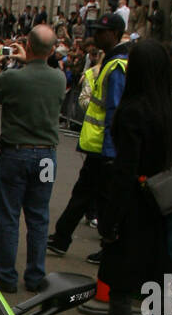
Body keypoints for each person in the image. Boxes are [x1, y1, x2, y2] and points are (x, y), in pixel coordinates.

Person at [87, 39, 172, 315]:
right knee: (160, 282)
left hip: (135, 206)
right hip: (167, 201)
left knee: (121, 286)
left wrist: (110, 220)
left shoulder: (132, 111)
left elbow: (125, 170)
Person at [0, 25, 65, 293]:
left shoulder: (14, 78)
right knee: (39, 217)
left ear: (27, 45)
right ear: (52, 50)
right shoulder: (58, 79)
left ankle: (6, 276)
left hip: (16, 152)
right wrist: (30, 57)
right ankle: (35, 275)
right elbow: (43, 69)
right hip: (47, 156)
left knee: (8, 216)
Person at [47, 14, 129, 258]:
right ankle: (64, 238)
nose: (95, 37)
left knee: (98, 199)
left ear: (114, 34)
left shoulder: (116, 66)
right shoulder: (111, 62)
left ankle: (109, 245)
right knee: (86, 195)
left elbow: (114, 111)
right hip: (98, 148)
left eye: (101, 32)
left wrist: (110, 152)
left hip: (104, 149)